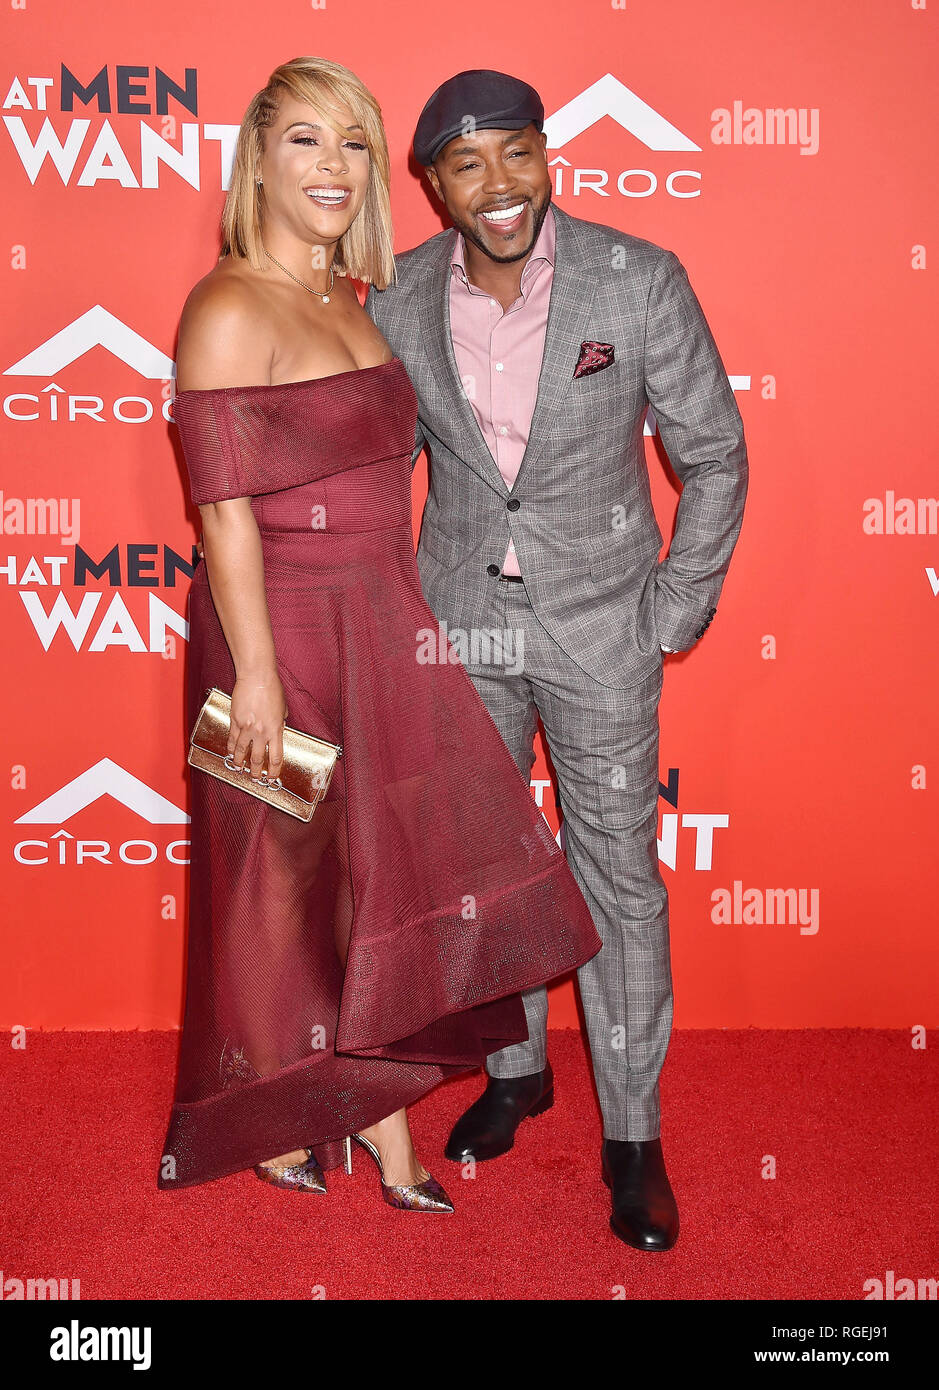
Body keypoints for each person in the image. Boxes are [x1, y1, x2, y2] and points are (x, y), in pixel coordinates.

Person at [159, 56, 602, 1210]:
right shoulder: (226, 300)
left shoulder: (347, 302)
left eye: (353, 145)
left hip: (379, 622)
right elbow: (222, 510)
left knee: (379, 882)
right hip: (280, 631)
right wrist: (253, 674)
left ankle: (382, 1116)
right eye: (305, 140)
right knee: (280, 881)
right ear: (258, 158)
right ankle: (278, 1110)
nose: (334, 167)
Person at [366, 69, 748, 1247]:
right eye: (467, 165)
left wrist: (674, 606)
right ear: (432, 185)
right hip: (460, 623)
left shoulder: (637, 280)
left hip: (603, 626)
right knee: (488, 868)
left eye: (517, 154)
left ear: (548, 156)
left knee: (617, 878)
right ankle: (519, 1070)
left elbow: (717, 454)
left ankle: (633, 1136)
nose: (499, 185)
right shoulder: (398, 295)